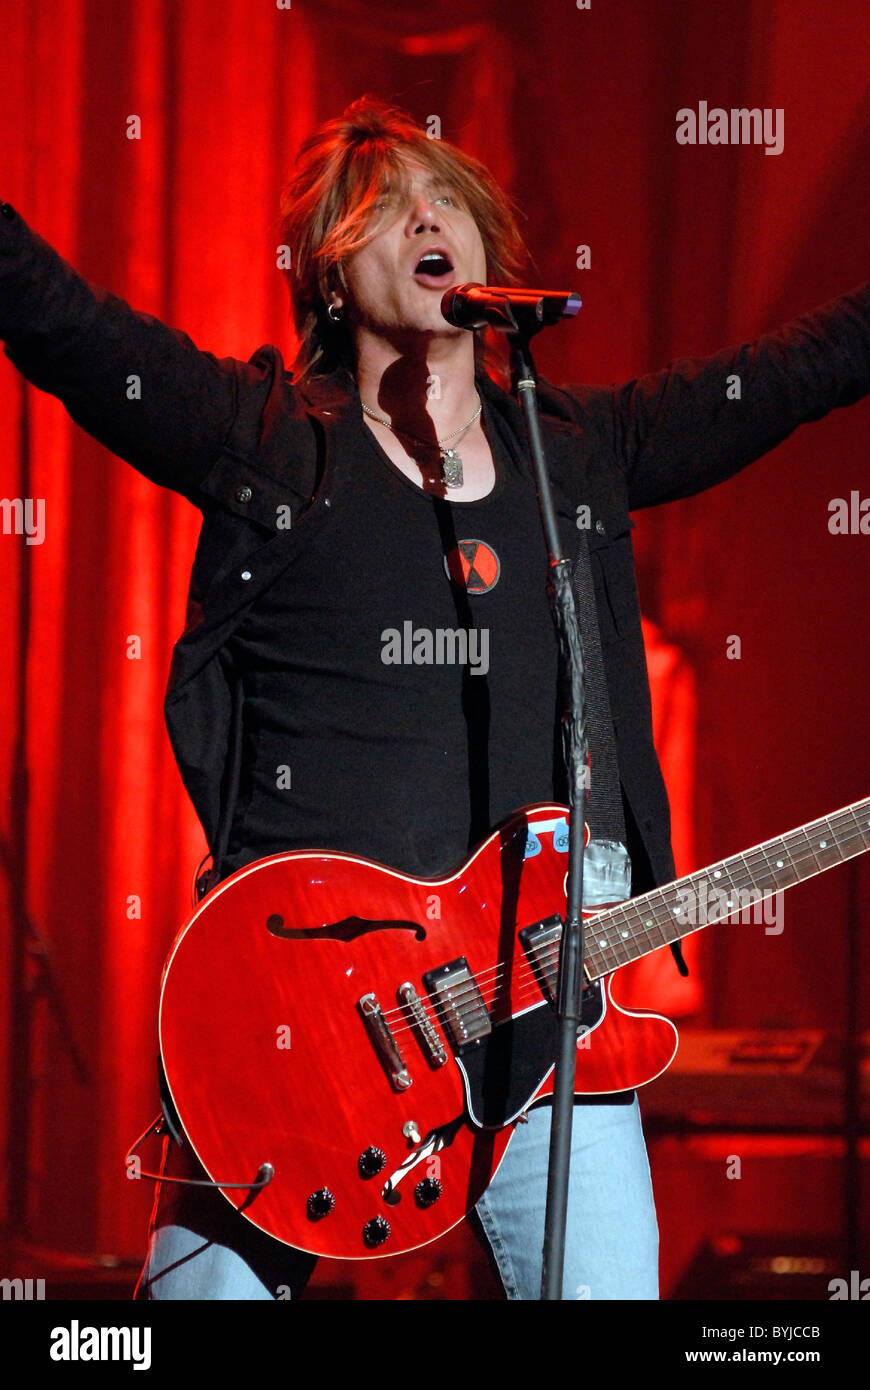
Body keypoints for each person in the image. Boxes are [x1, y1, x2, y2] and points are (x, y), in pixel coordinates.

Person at [1, 96, 868, 1301]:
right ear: (329, 274)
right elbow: (69, 330)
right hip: (299, 1013)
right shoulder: (271, 444)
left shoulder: (575, 456)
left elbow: (782, 377)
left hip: (544, 1018)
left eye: (445, 200)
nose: (426, 219)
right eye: (384, 209)